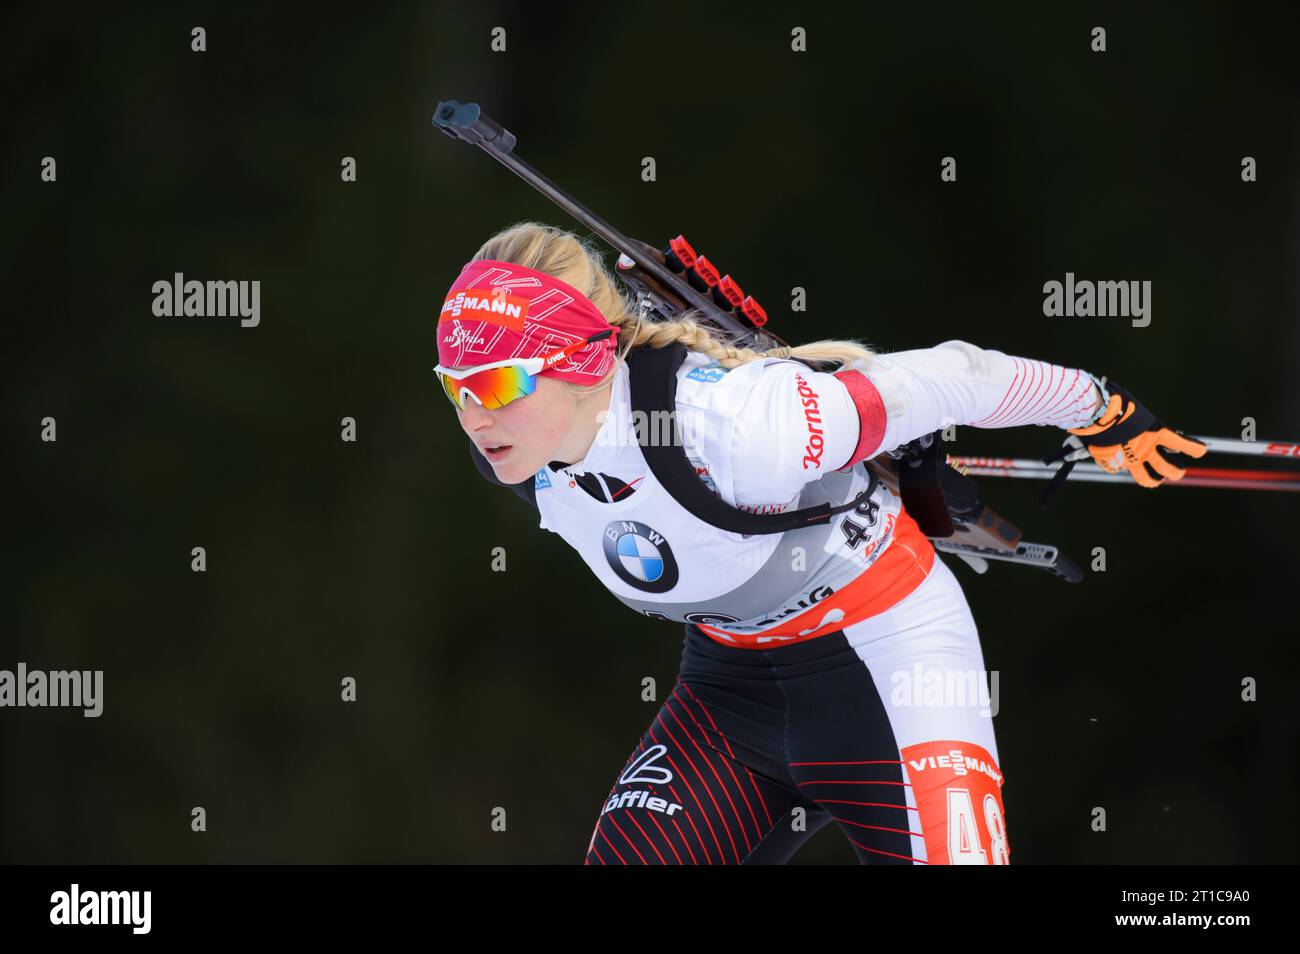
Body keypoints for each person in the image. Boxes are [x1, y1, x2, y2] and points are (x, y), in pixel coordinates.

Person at [434, 221, 1207, 864]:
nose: (473, 416)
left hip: (890, 659)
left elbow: (957, 376)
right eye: (455, 385)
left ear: (578, 362)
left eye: (498, 384)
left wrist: (1100, 409)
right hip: (732, 691)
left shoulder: (743, 425)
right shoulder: (520, 457)